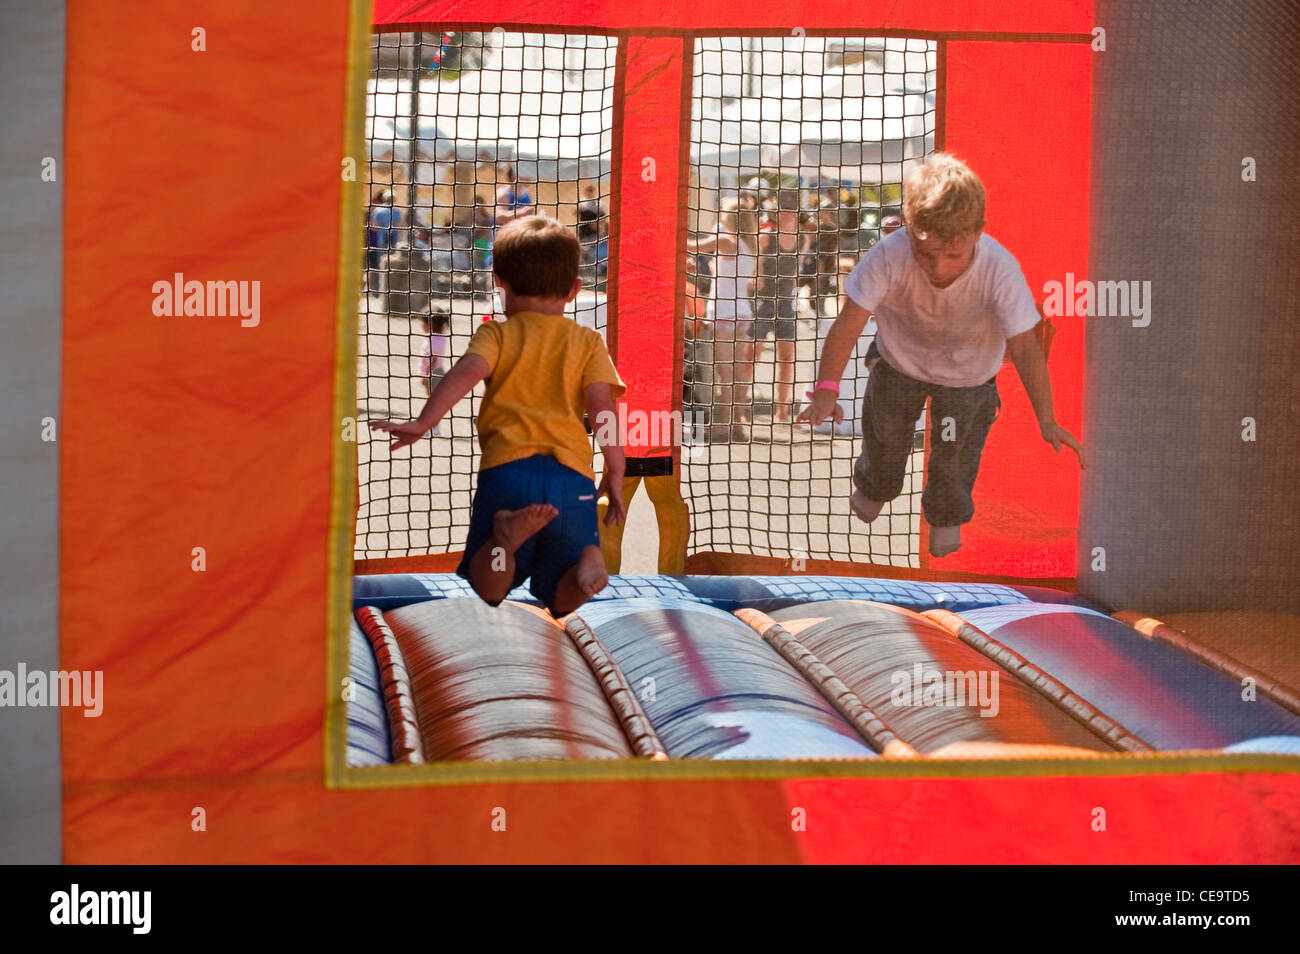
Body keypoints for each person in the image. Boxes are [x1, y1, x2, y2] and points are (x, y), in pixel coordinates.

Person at [799, 153, 1085, 558]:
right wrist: (826, 390)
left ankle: (946, 517)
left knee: (955, 450)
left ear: (977, 233)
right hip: (899, 363)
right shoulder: (889, 255)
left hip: (967, 378)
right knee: (886, 438)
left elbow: (1024, 346)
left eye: (952, 256)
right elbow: (849, 323)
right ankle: (875, 485)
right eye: (926, 253)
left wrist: (1047, 418)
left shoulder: (999, 268)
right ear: (909, 229)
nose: (938, 268)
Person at [369, 216, 627, 616]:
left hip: (508, 471)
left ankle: (505, 540)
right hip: (571, 478)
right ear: (575, 290)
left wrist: (423, 422)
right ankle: (586, 563)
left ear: (500, 283)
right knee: (560, 594)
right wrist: (616, 465)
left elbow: (464, 374)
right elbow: (602, 408)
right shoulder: (587, 342)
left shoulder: (497, 334)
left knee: (489, 583)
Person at [686, 198, 760, 441]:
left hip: (724, 314)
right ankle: (737, 424)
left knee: (726, 373)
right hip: (741, 313)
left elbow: (693, 245)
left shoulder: (728, 240)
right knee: (738, 373)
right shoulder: (749, 244)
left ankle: (724, 425)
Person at [753, 189, 813, 423]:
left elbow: (796, 269)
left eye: (791, 211)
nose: (787, 214)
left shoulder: (802, 239)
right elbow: (756, 270)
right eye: (784, 210)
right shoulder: (766, 236)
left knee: (787, 356)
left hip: (786, 302)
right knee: (752, 354)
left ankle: (782, 411)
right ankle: (740, 404)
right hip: (764, 301)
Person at [366, 189, 401, 293]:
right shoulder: (397, 211)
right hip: (393, 242)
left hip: (380, 242)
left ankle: (375, 289)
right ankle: (390, 288)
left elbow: (373, 226)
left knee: (378, 265)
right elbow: (400, 227)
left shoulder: (377, 210)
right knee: (392, 266)